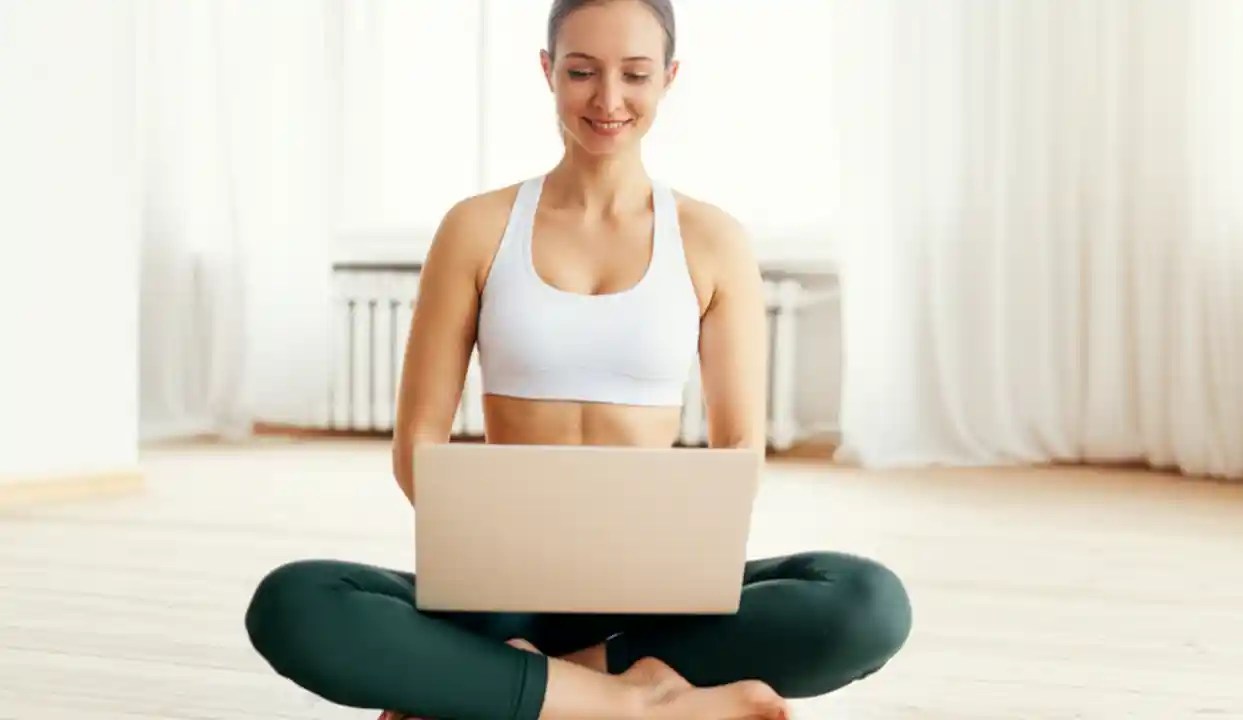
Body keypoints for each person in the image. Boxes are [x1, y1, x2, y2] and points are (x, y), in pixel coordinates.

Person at [243, 1, 911, 718]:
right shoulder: (476, 228)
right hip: (499, 593)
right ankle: (638, 701)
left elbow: (740, 448)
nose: (609, 99)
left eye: (635, 74)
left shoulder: (713, 239)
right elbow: (417, 446)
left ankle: (502, 687)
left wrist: (686, 558)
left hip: (651, 600)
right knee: (293, 604)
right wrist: (481, 547)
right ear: (548, 72)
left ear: (669, 79)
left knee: (867, 603)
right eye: (582, 71)